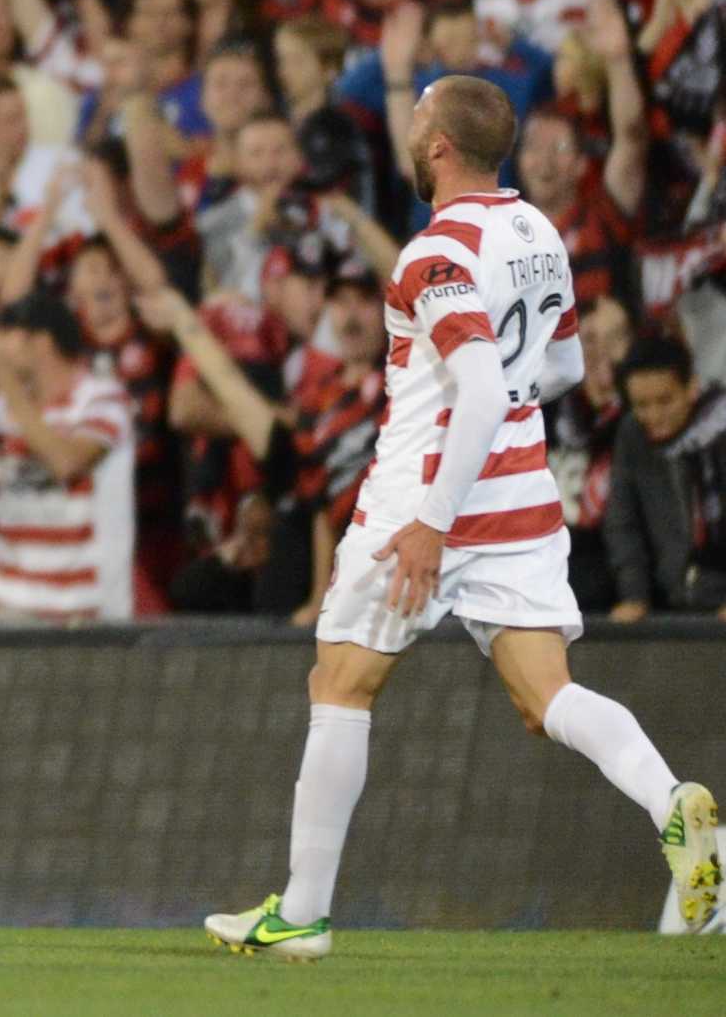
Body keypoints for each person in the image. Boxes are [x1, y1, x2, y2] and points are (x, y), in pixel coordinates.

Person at [207, 77, 717, 960]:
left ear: (438, 145)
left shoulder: (432, 255)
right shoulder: (539, 234)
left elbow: (480, 384)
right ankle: (673, 803)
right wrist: (496, 399)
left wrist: (434, 519)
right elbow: (555, 366)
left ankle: (302, 914)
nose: (406, 129)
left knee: (340, 684)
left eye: (414, 118)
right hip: (520, 492)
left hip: (426, 496)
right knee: (546, 694)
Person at [0, 292, 135, 626]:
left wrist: (6, 385)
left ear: (43, 341)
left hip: (84, 606)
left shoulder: (102, 397)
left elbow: (67, 464)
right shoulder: (0, 406)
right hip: (6, 598)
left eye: (8, 334)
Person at [601, 335, 726, 620]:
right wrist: (634, 595)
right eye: (641, 405)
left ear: (691, 387)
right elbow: (622, 522)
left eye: (664, 400)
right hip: (669, 603)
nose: (654, 415)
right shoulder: (632, 434)